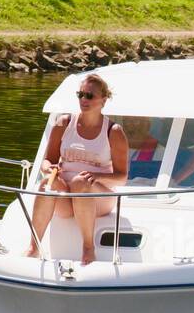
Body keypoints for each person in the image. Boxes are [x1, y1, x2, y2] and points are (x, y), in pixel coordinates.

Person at [26, 74, 129, 265]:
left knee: (80, 183)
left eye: (89, 95)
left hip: (99, 197)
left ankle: (88, 248)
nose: (83, 99)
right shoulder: (63, 123)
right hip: (67, 196)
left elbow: (121, 178)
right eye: (80, 94)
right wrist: (49, 169)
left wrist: (96, 176)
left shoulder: (113, 131)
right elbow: (47, 161)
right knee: (47, 184)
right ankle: (34, 247)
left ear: (103, 100)